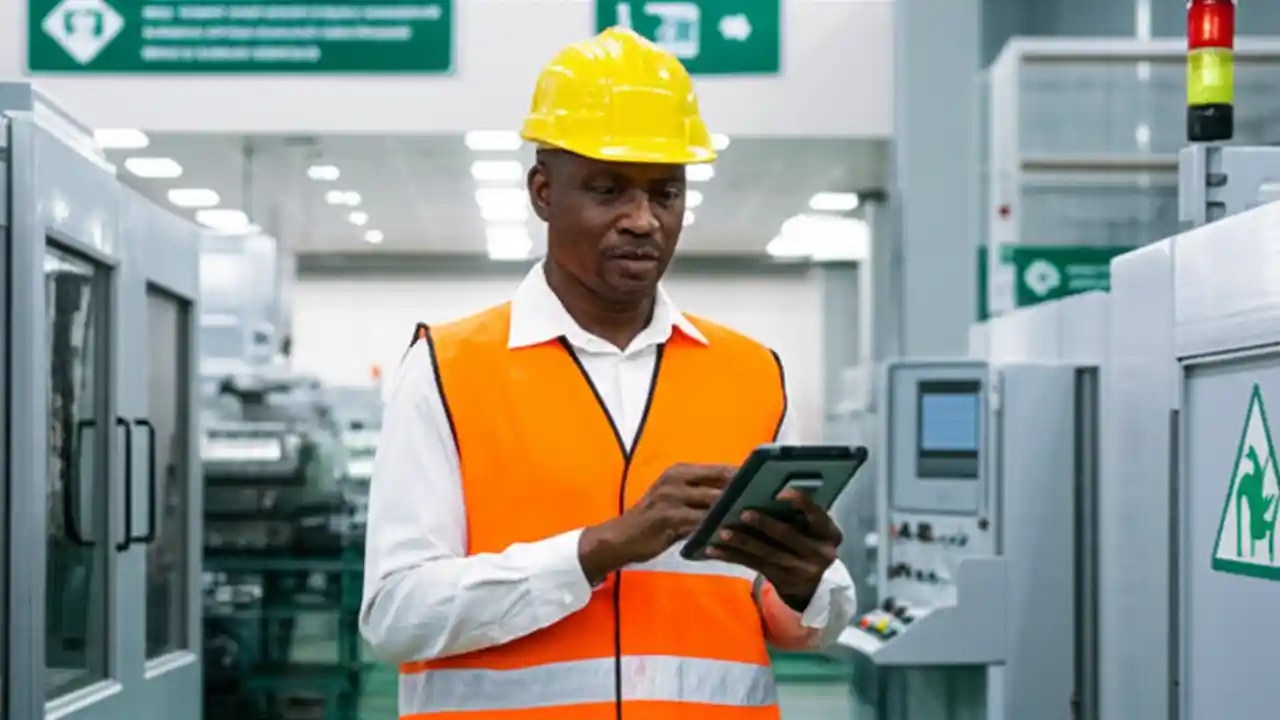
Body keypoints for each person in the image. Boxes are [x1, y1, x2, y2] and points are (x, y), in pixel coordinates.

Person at [360, 26, 857, 720]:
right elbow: (394, 614)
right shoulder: (449, 369)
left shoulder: (751, 374)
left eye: (666, 193)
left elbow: (791, 620)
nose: (643, 220)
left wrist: (810, 584)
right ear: (543, 192)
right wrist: (595, 550)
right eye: (609, 189)